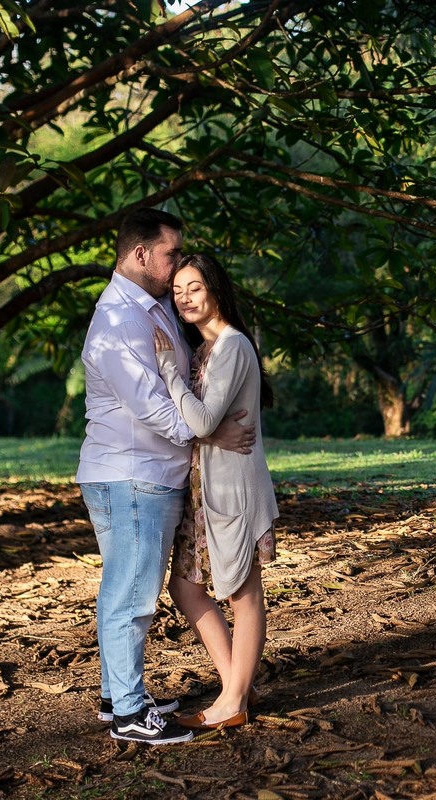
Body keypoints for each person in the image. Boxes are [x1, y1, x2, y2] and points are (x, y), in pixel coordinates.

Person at [77, 208, 256, 745]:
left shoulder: (147, 310)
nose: (177, 261)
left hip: (148, 475)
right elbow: (152, 407)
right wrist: (209, 435)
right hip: (132, 475)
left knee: (128, 587)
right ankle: (130, 713)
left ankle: (118, 697)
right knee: (131, 594)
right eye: (171, 253)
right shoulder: (118, 320)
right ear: (140, 255)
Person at [152, 253, 279, 730]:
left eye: (195, 288)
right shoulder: (205, 349)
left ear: (216, 290)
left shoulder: (232, 346)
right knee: (185, 588)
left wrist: (167, 369)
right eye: (177, 291)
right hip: (202, 491)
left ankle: (234, 699)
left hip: (232, 489)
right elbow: (204, 423)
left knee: (242, 593)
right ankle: (236, 691)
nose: (184, 298)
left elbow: (202, 418)